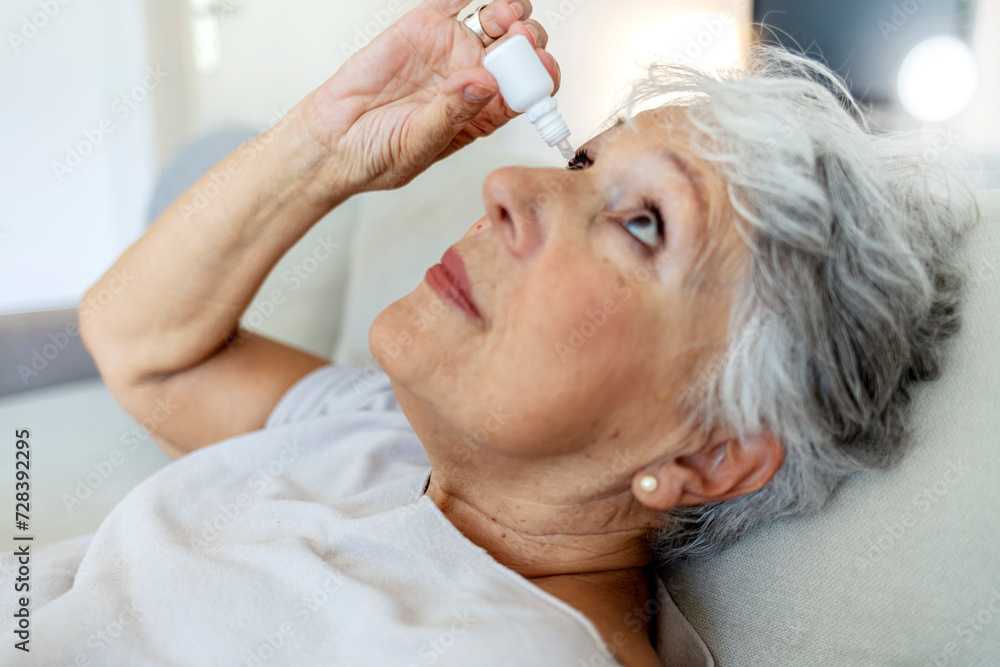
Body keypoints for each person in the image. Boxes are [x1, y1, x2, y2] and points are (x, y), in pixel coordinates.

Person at [0, 0, 977, 665]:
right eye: (585, 163)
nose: (508, 187)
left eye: (643, 223)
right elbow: (143, 345)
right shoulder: (387, 436)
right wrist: (328, 147)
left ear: (712, 452)